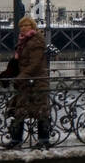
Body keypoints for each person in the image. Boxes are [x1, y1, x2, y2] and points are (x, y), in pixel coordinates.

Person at [3, 15, 51, 149]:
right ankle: (16, 140)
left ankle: (43, 140)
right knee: (19, 110)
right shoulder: (24, 41)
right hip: (26, 81)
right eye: (21, 26)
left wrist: (21, 76)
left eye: (26, 26)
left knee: (41, 110)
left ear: (32, 27)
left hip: (37, 81)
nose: (23, 28)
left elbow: (35, 64)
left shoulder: (36, 41)